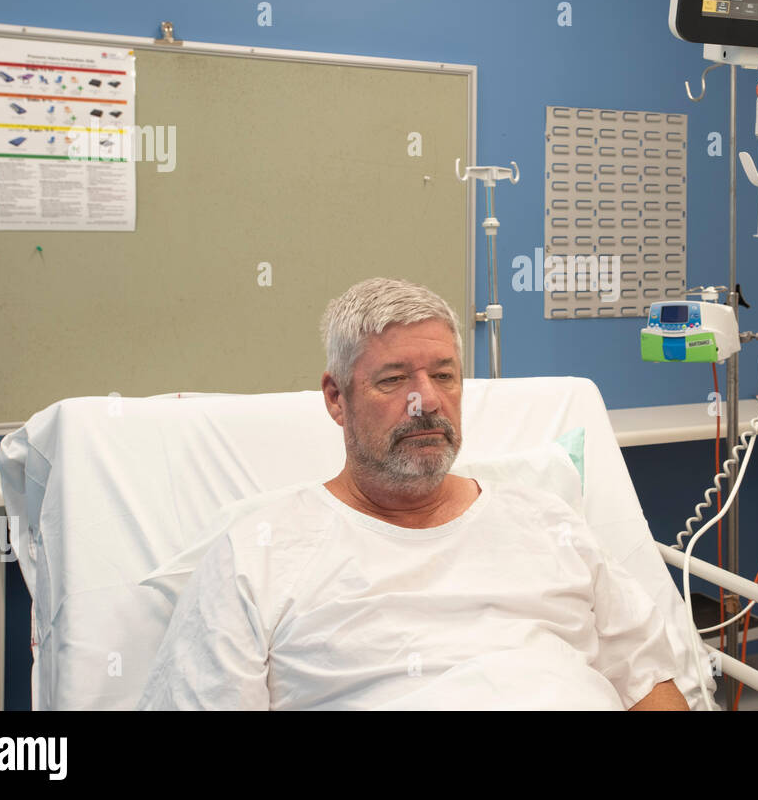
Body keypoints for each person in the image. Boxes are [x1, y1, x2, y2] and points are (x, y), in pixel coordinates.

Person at [138, 277, 689, 710]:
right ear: (336, 397)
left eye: (444, 376)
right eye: (393, 379)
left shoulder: (548, 521)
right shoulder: (257, 555)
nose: (426, 400)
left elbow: (647, 678)